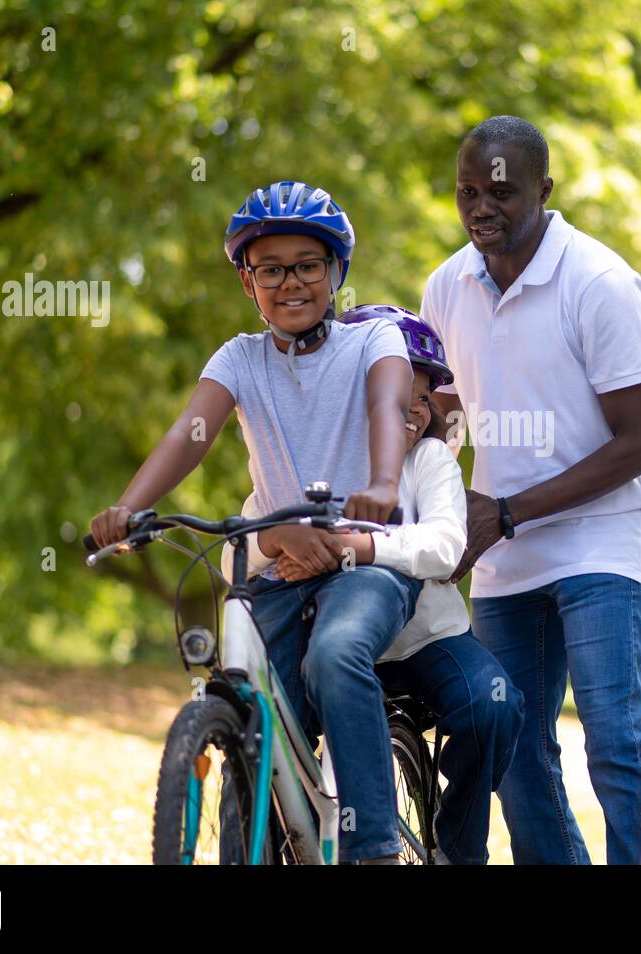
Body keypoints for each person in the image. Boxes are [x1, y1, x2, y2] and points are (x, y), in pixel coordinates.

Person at [91, 180, 419, 863]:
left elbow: (389, 406)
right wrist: (130, 507)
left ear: (336, 274)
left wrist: (384, 483)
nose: (290, 281)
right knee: (244, 694)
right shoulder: (239, 358)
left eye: (308, 264)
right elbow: (193, 430)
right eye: (271, 268)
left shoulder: (373, 341)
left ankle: (374, 847)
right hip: (280, 567)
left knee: (335, 654)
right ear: (248, 281)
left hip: (366, 559)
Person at [420, 116, 641, 864]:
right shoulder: (447, 285)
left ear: (544, 188)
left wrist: (503, 512)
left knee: (616, 741)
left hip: (601, 543)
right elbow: (443, 415)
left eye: (499, 191)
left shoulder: (599, 284)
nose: (480, 207)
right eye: (466, 191)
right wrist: (437, 509)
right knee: (515, 752)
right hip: (505, 554)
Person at [226, 304, 523, 865]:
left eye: (421, 398)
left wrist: (354, 548)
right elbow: (234, 553)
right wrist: (276, 544)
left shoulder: (430, 460)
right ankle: (288, 838)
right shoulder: (313, 460)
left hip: (423, 642)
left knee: (493, 704)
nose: (410, 410)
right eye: (394, 396)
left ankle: (456, 849)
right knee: (267, 728)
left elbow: (443, 546)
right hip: (328, 644)